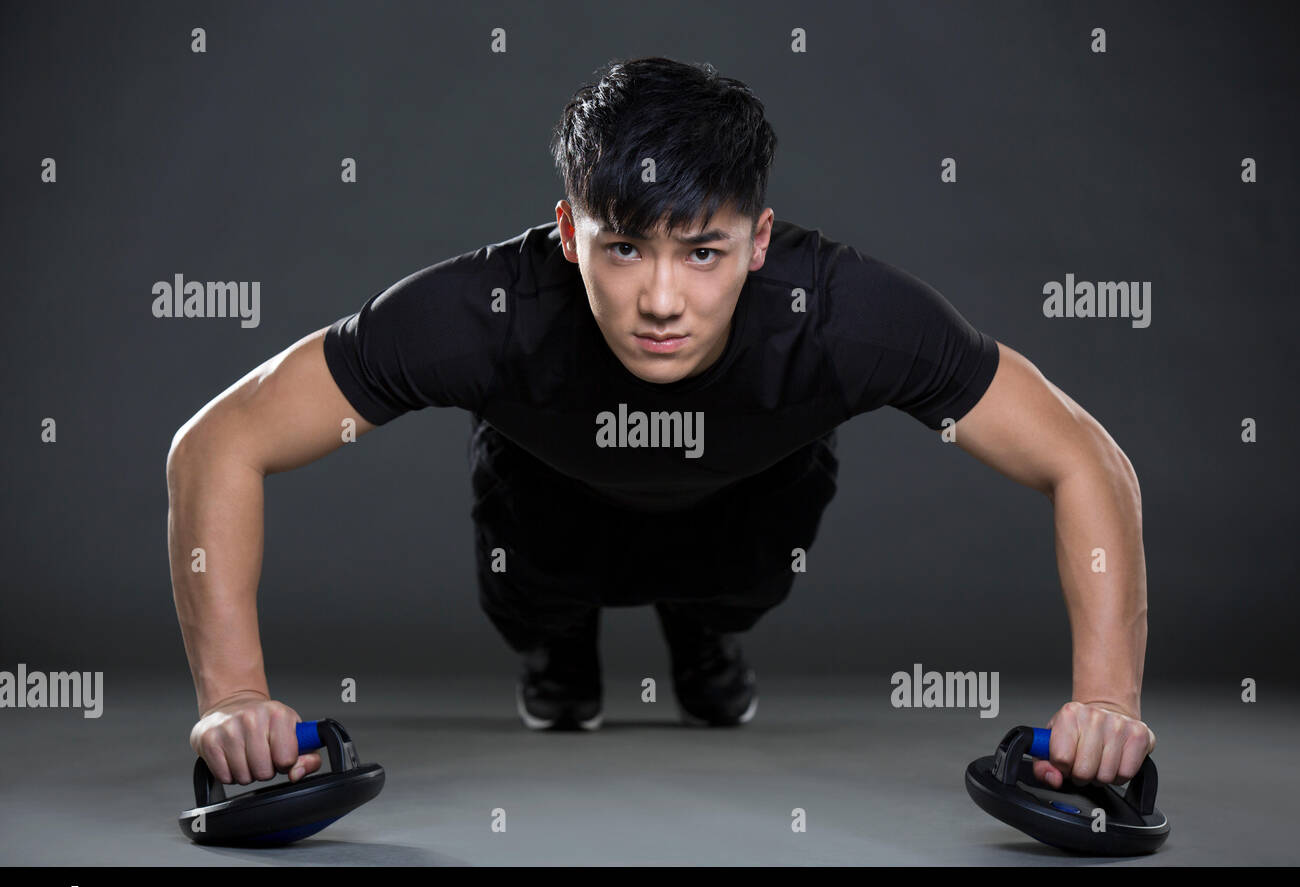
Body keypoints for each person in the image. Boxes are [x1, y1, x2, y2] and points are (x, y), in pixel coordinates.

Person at [170, 56, 1155, 795]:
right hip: (548, 498)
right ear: (568, 232)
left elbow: (1082, 457)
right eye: (626, 248)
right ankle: (559, 646)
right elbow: (220, 441)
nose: (660, 299)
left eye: (703, 252)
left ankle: (704, 636)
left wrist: (1108, 701)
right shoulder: (485, 310)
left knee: (732, 590)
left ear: (759, 242)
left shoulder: (848, 313)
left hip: (746, 503)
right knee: (532, 599)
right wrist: (233, 693)